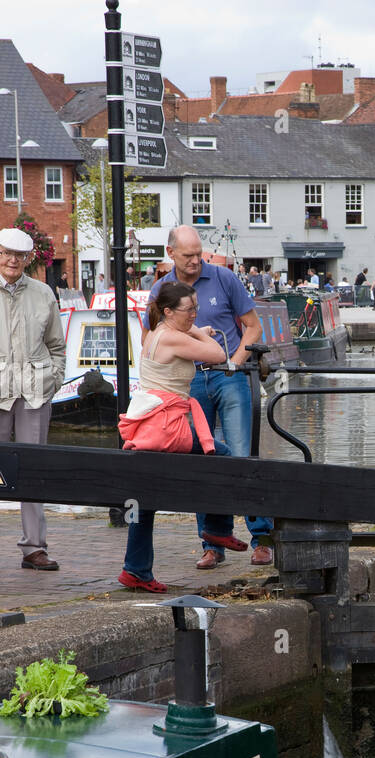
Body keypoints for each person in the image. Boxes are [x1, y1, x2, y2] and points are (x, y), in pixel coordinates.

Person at [150, 226, 273, 569]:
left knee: (240, 453)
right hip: (190, 383)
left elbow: (253, 326)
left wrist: (234, 363)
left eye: (198, 253)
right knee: (201, 460)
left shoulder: (223, 278)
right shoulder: (162, 289)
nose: (195, 261)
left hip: (228, 376)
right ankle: (211, 542)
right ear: (170, 252)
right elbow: (152, 335)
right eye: (187, 255)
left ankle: (262, 537)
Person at [118, 281, 235, 592]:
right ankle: (216, 528)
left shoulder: (156, 334)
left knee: (145, 500)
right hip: (167, 428)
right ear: (168, 311)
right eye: (190, 310)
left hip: (152, 426)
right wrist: (199, 332)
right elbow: (217, 353)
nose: (194, 314)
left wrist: (194, 329)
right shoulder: (171, 337)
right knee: (221, 457)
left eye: (197, 308)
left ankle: (136, 570)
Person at [0, 227, 66, 570]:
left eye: (19, 255)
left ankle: (34, 547)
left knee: (33, 470)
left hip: (35, 392)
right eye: (7, 253)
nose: (12, 260)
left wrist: (53, 380)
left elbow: (57, 345)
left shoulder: (43, 294)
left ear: (29, 259)